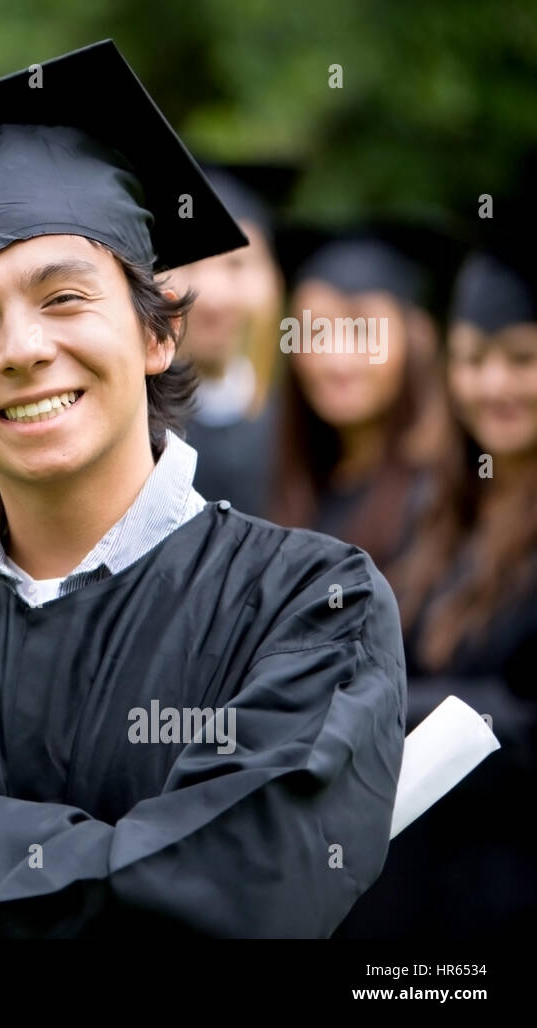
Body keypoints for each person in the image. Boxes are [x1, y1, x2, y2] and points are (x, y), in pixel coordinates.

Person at [0, 40, 407, 938]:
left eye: (63, 298)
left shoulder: (310, 606)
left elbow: (246, 903)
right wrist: (120, 865)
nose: (19, 348)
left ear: (158, 331)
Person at [337, 216, 537, 939]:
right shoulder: (436, 506)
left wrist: (388, 710)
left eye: (520, 359)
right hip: (410, 884)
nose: (492, 385)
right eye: (473, 359)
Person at [269, 223, 454, 572]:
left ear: (415, 340)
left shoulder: (443, 499)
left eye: (364, 331)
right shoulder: (286, 481)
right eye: (315, 331)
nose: (337, 360)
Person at [165, 165, 292, 516]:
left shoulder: (305, 435)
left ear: (274, 282)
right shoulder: (127, 433)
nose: (213, 295)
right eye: (192, 261)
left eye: (236, 265)